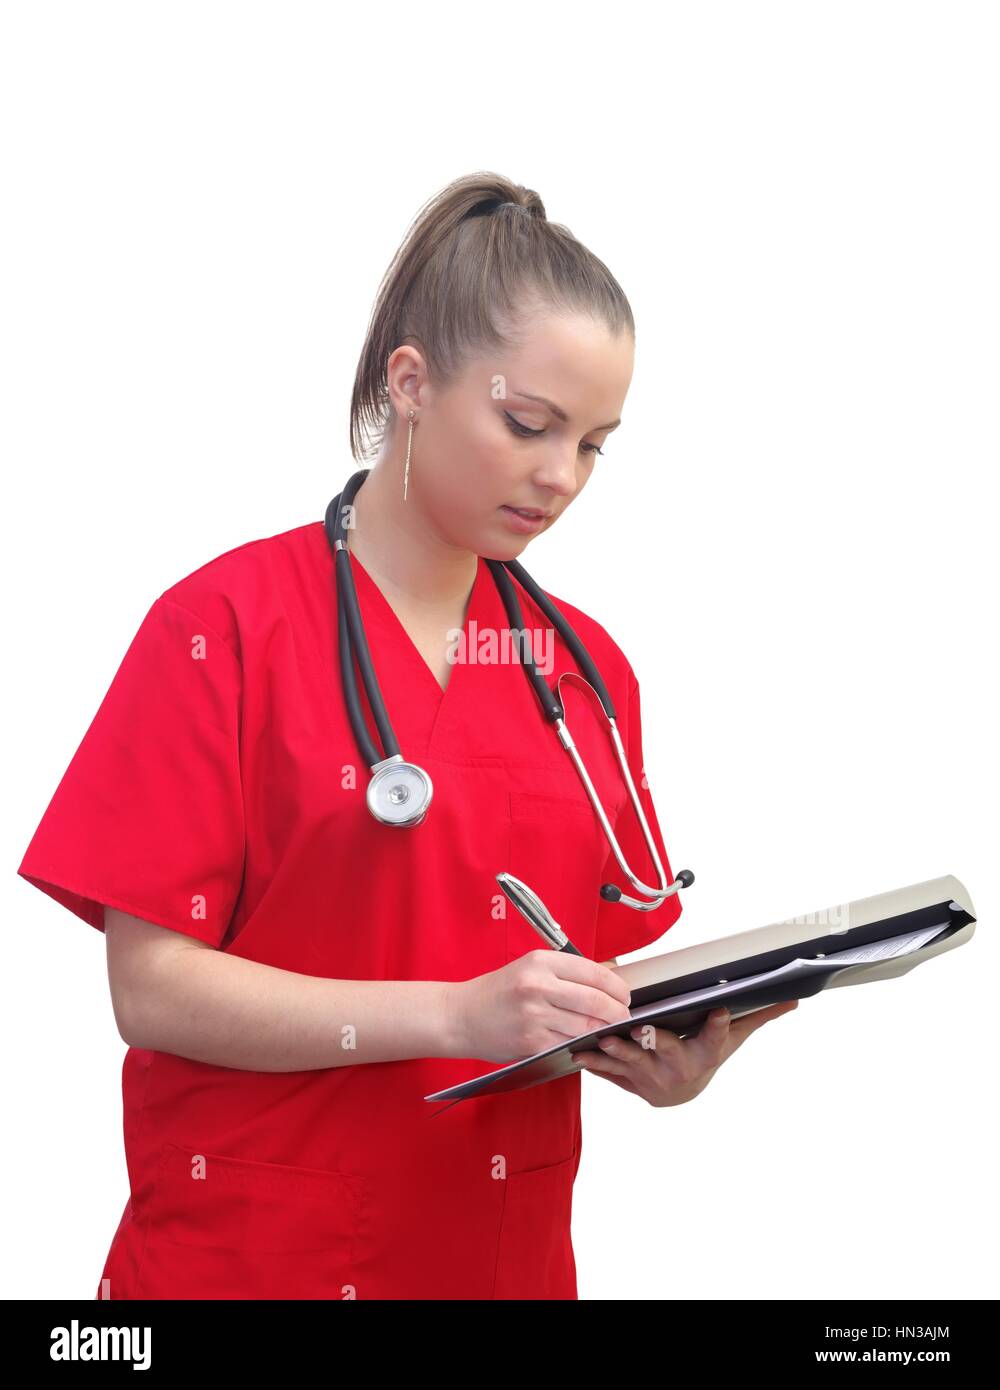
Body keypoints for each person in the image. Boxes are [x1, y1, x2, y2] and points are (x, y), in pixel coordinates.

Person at [17, 172, 797, 1302]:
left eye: (593, 444)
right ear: (412, 382)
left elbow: (573, 982)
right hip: (249, 1260)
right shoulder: (220, 631)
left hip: (494, 1258)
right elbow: (150, 987)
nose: (558, 477)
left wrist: (650, 1052)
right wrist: (453, 1012)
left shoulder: (582, 674)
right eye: (528, 423)